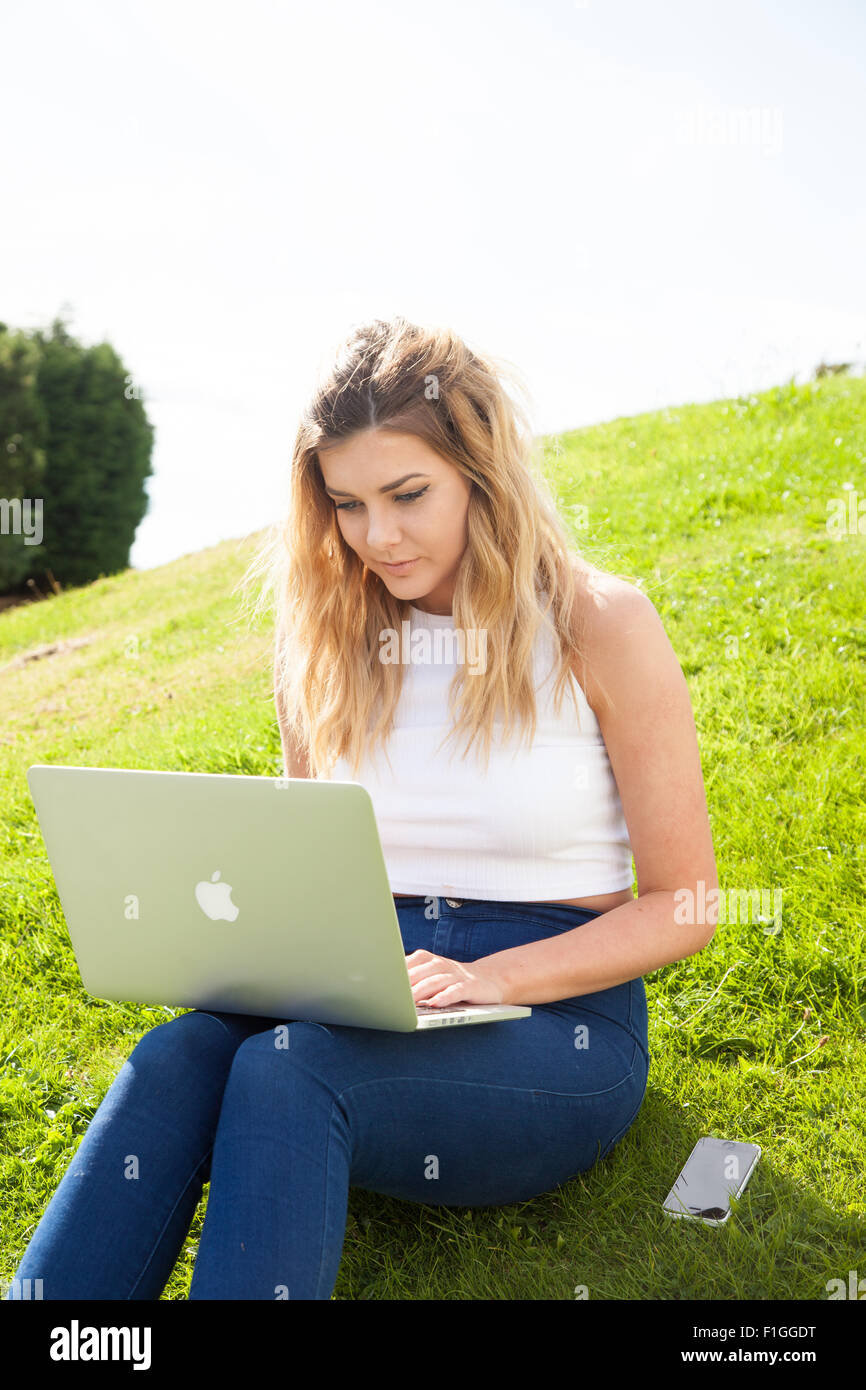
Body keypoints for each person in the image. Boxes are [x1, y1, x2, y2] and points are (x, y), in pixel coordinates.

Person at [6, 316, 719, 1301]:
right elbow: (311, 875)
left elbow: (685, 904)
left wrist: (488, 976)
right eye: (346, 503)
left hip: (554, 1019)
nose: (377, 535)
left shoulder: (598, 622)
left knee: (287, 1072)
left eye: (407, 494)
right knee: (175, 1057)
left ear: (481, 470)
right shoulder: (322, 644)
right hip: (368, 987)